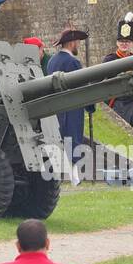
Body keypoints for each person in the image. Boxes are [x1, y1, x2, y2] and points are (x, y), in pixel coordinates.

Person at [46, 28, 92, 170]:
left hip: (56, 109)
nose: (78, 45)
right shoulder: (73, 62)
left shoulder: (51, 61)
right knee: (73, 143)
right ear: (72, 43)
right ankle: (75, 175)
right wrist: (90, 106)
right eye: (77, 42)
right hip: (72, 109)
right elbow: (82, 88)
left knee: (61, 141)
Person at [103, 13, 133, 130]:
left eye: (127, 42)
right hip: (117, 101)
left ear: (131, 43)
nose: (124, 44)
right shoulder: (109, 59)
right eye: (122, 41)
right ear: (117, 43)